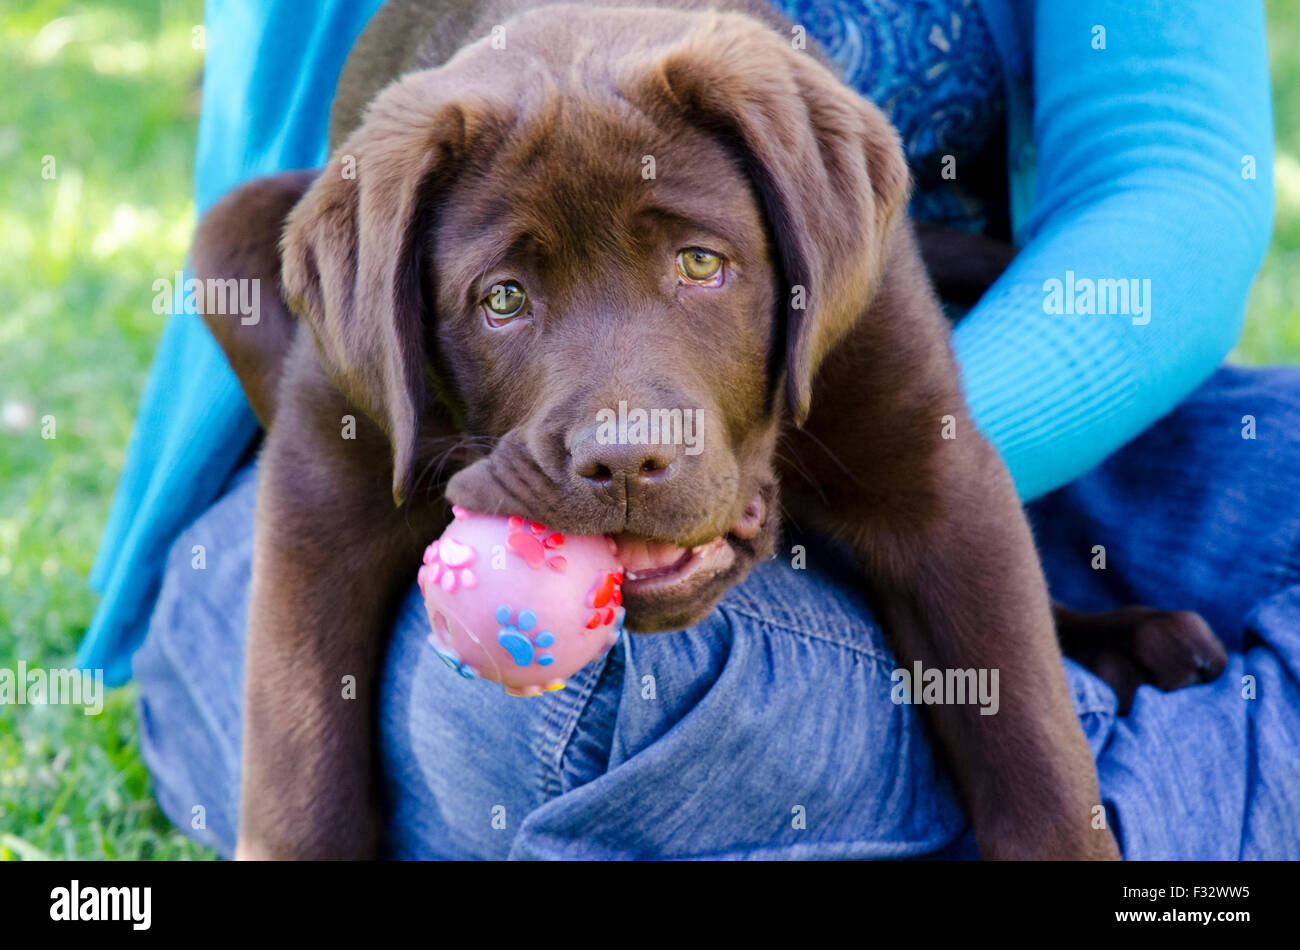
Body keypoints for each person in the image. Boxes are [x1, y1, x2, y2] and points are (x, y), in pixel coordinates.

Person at [86, 0, 1299, 857]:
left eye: (698, 258)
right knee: (562, 714)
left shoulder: (789, 179)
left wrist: (888, 452)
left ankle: (980, 750)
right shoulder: (405, 204)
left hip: (888, 385)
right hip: (505, 585)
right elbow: (330, 515)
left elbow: (1174, 177)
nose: (621, 431)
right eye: (505, 295)